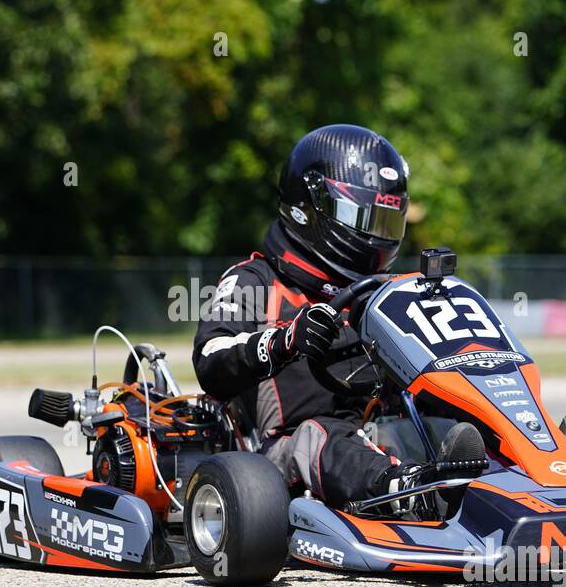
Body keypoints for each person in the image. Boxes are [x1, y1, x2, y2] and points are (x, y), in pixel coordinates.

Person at [192, 124, 483, 514]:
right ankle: (409, 494)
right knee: (320, 435)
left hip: (377, 434)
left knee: (450, 412)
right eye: (362, 217)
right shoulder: (254, 282)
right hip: (283, 454)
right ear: (309, 207)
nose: (375, 235)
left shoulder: (383, 291)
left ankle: (535, 466)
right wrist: (284, 342)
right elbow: (211, 360)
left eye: (384, 221)